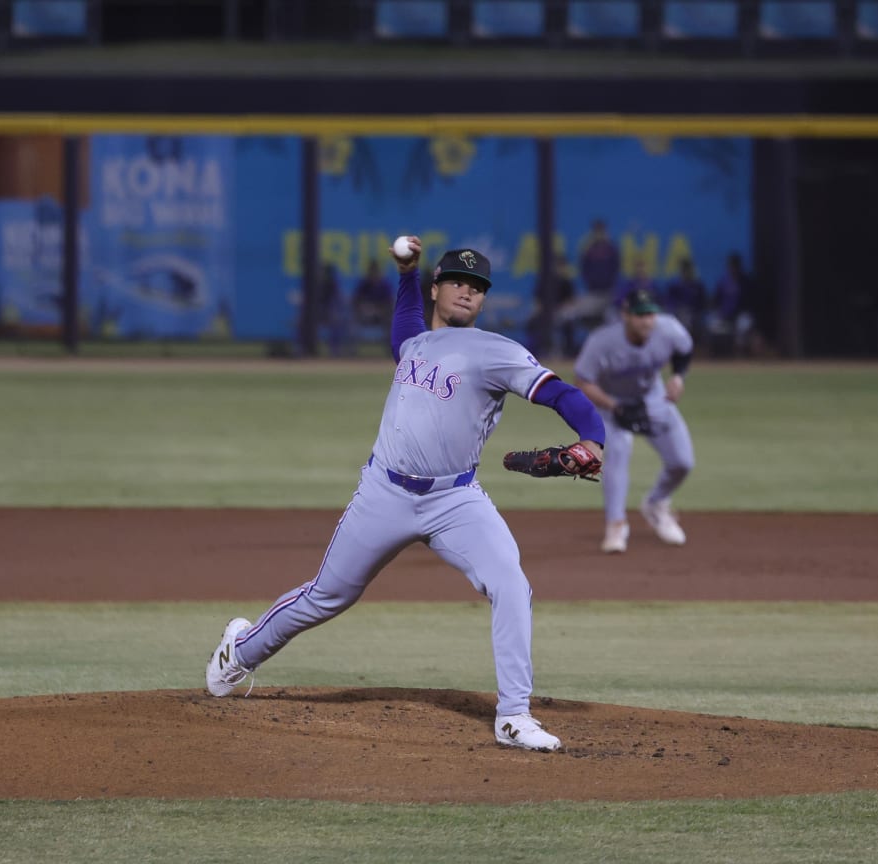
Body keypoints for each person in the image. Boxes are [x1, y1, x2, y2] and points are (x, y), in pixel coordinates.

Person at [206, 238, 607, 753]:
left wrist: (591, 438)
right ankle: (239, 651)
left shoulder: (496, 351)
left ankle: (513, 715)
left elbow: (562, 394)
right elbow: (404, 327)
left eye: (478, 286)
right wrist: (405, 273)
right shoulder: (413, 345)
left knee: (511, 583)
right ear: (436, 288)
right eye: (459, 281)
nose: (468, 291)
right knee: (328, 596)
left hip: (455, 501)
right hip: (384, 492)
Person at [573, 288, 695, 554]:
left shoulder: (668, 329)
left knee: (683, 462)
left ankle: (656, 504)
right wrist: (615, 407)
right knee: (616, 456)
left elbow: (684, 351)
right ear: (625, 315)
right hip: (611, 402)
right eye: (640, 315)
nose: (646, 320)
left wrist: (677, 377)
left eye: (650, 314)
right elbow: (583, 381)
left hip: (654, 399)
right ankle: (616, 525)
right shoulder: (603, 341)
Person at [663, 258, 707, 348]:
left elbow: (703, 302)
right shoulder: (675, 284)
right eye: (685, 269)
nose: (687, 272)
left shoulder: (697, 285)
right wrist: (673, 311)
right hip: (678, 312)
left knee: (690, 318)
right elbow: (669, 302)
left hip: (695, 313)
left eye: (689, 269)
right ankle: (679, 346)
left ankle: (689, 346)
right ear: (682, 271)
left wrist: (698, 311)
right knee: (683, 317)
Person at [352, 258, 395, 338]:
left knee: (391, 323)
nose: (373, 275)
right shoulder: (363, 284)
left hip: (382, 316)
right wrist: (364, 308)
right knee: (352, 324)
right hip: (365, 315)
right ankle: (353, 349)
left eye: (375, 272)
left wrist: (378, 310)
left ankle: (390, 349)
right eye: (371, 272)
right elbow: (355, 302)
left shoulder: (384, 285)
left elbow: (390, 304)